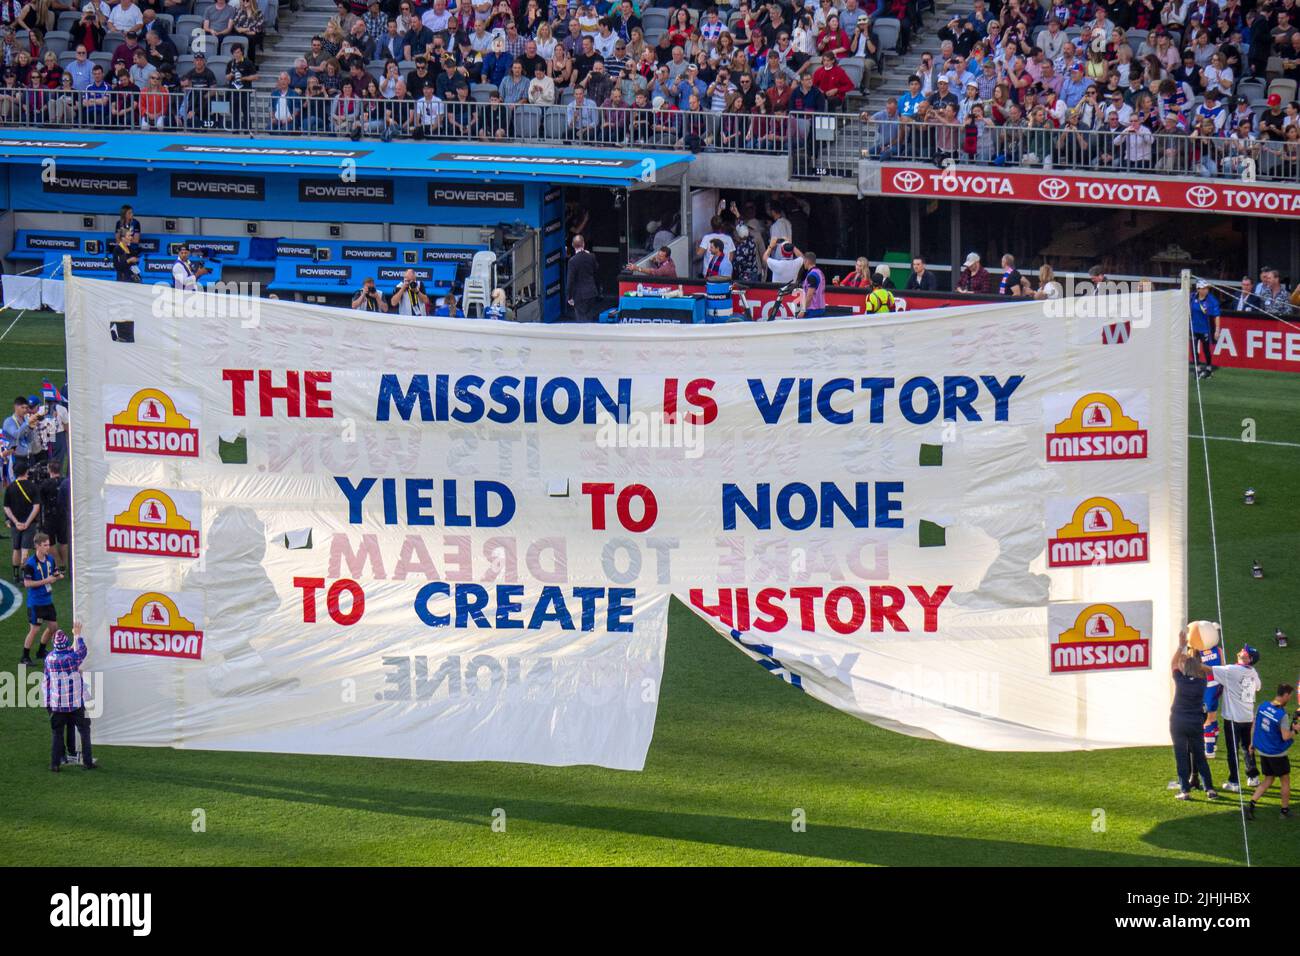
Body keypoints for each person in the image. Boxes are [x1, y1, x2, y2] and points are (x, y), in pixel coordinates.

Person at [1207, 643, 1263, 793]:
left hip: (1233, 719)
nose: (1241, 650)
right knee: (1247, 748)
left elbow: (1207, 669)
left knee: (1233, 750)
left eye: (1245, 651)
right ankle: (1253, 777)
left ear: (1249, 659)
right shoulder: (1253, 671)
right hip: (1247, 717)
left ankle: (1234, 781)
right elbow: (1258, 686)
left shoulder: (1231, 670)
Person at [1169, 628, 1217, 800]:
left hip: (1178, 722)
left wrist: (1181, 646)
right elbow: (1208, 669)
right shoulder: (1202, 681)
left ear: (1183, 669)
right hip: (1195, 722)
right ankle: (1210, 789)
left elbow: (1173, 664)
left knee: (1181, 756)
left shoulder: (1180, 680)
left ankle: (1185, 791)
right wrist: (1197, 662)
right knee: (1200, 756)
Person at [43, 622, 95, 772]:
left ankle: (55, 764)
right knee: (84, 731)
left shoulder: (49, 659)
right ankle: (87, 762)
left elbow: (46, 679)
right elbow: (83, 651)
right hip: (75, 704)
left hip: (57, 705)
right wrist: (77, 634)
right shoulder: (71, 659)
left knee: (57, 734)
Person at [1246, 683, 1293, 819]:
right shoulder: (1281, 715)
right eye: (1289, 696)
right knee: (1285, 781)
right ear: (1285, 695)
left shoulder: (1262, 706)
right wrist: (1295, 730)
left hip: (1263, 751)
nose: (1290, 698)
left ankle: (1251, 804)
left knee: (1268, 779)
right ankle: (1284, 811)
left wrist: (1252, 743)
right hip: (1277, 753)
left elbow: (1254, 725)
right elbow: (1285, 737)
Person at [19, 531, 61, 665]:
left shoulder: (50, 559)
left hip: (47, 600)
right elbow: (27, 584)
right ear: (37, 546)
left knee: (53, 627)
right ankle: (25, 657)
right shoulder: (30, 564)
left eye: (48, 545)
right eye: (44, 545)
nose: (47, 547)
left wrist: (58, 576)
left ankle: (41, 651)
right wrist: (46, 581)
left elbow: (55, 573)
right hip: (35, 602)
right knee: (35, 629)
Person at [4, 459, 39, 586]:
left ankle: (15, 575)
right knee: (25, 550)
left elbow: (6, 507)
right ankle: (25, 577)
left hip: (15, 524)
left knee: (16, 548)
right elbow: (36, 507)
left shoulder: (10, 487)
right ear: (26, 472)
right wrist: (28, 522)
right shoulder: (33, 486)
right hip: (29, 524)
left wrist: (15, 521)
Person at [1190, 280, 1220, 379]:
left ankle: (1208, 368)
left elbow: (1216, 316)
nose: (1206, 290)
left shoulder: (1211, 300)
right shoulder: (1192, 297)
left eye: (1207, 288)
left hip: (1205, 329)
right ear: (1198, 289)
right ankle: (1197, 368)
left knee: (1206, 349)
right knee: (1194, 349)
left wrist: (1217, 330)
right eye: (1203, 288)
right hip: (1194, 328)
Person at [566, 233, 600, 322]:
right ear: (583, 244)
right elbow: (596, 269)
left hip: (579, 296)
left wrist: (569, 297)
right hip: (592, 293)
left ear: (573, 245)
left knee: (582, 321)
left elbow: (570, 280)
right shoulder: (591, 256)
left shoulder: (572, 261)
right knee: (590, 318)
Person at [797, 251, 826, 318]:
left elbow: (809, 295)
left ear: (807, 261)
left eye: (804, 261)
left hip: (813, 311)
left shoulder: (812, 275)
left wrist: (802, 311)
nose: (803, 263)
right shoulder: (820, 272)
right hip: (821, 308)